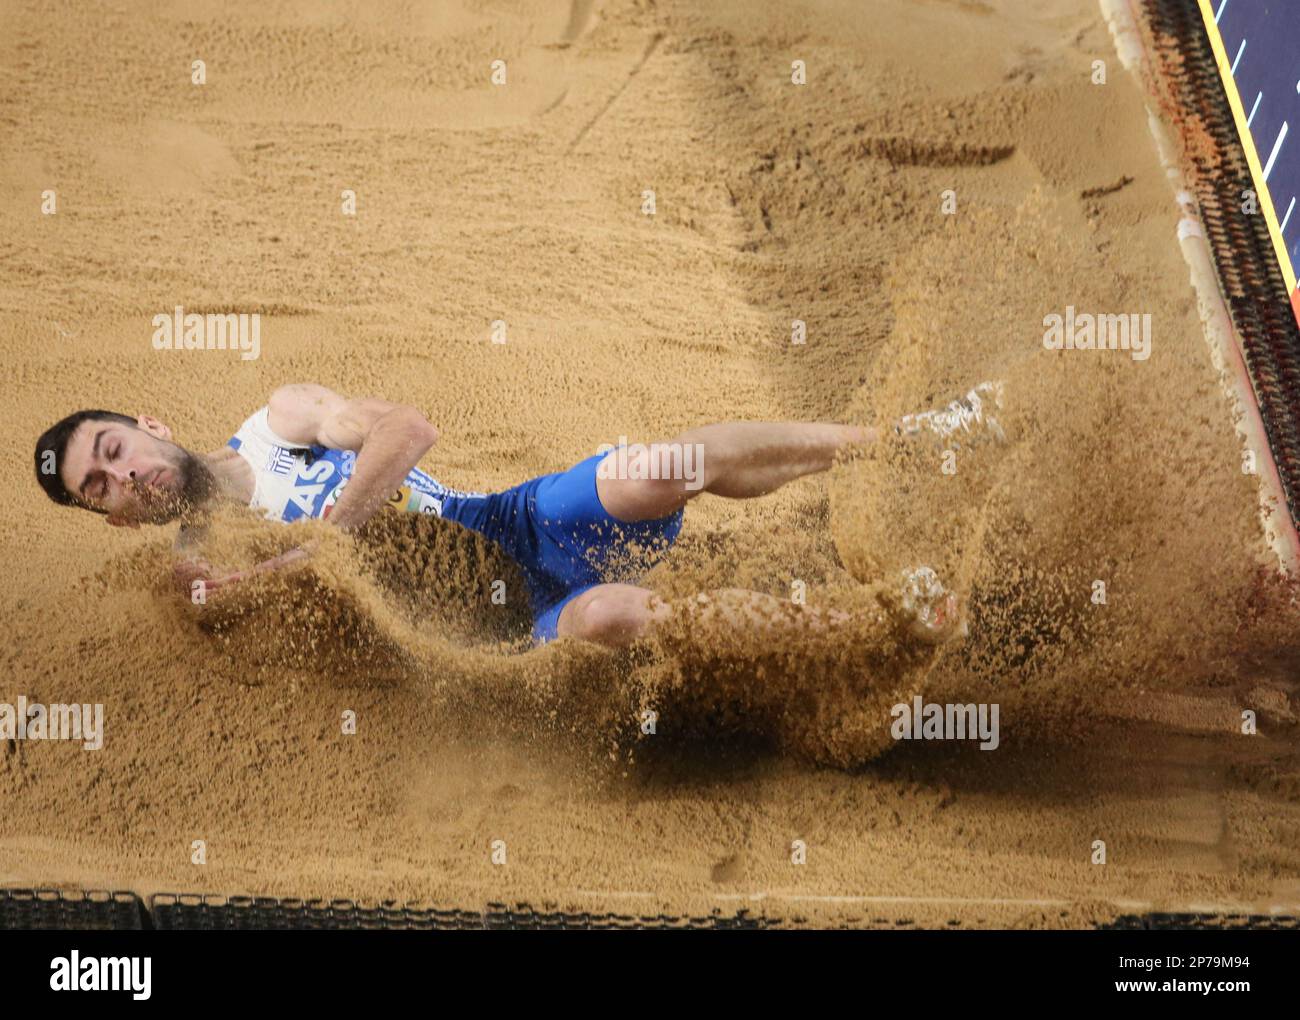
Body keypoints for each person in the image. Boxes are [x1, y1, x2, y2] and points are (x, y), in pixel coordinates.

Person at [33, 382, 1005, 649]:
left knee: (655, 465)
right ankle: (880, 617)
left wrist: (331, 534)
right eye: (101, 490)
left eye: (114, 452)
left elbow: (405, 430)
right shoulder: (196, 572)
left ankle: (911, 437)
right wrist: (307, 569)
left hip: (512, 528)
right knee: (613, 617)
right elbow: (255, 613)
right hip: (490, 631)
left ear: (148, 426)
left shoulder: (283, 421)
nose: (126, 479)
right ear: (115, 521)